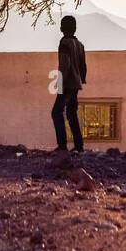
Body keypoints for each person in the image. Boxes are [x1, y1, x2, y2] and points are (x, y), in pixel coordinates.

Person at [52, 15, 87, 153]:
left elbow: (64, 65)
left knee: (56, 112)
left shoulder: (64, 43)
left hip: (67, 83)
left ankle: (62, 146)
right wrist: (81, 79)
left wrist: (60, 83)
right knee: (71, 113)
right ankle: (79, 146)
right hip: (76, 83)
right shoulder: (80, 45)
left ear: (61, 28)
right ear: (75, 28)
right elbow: (83, 66)